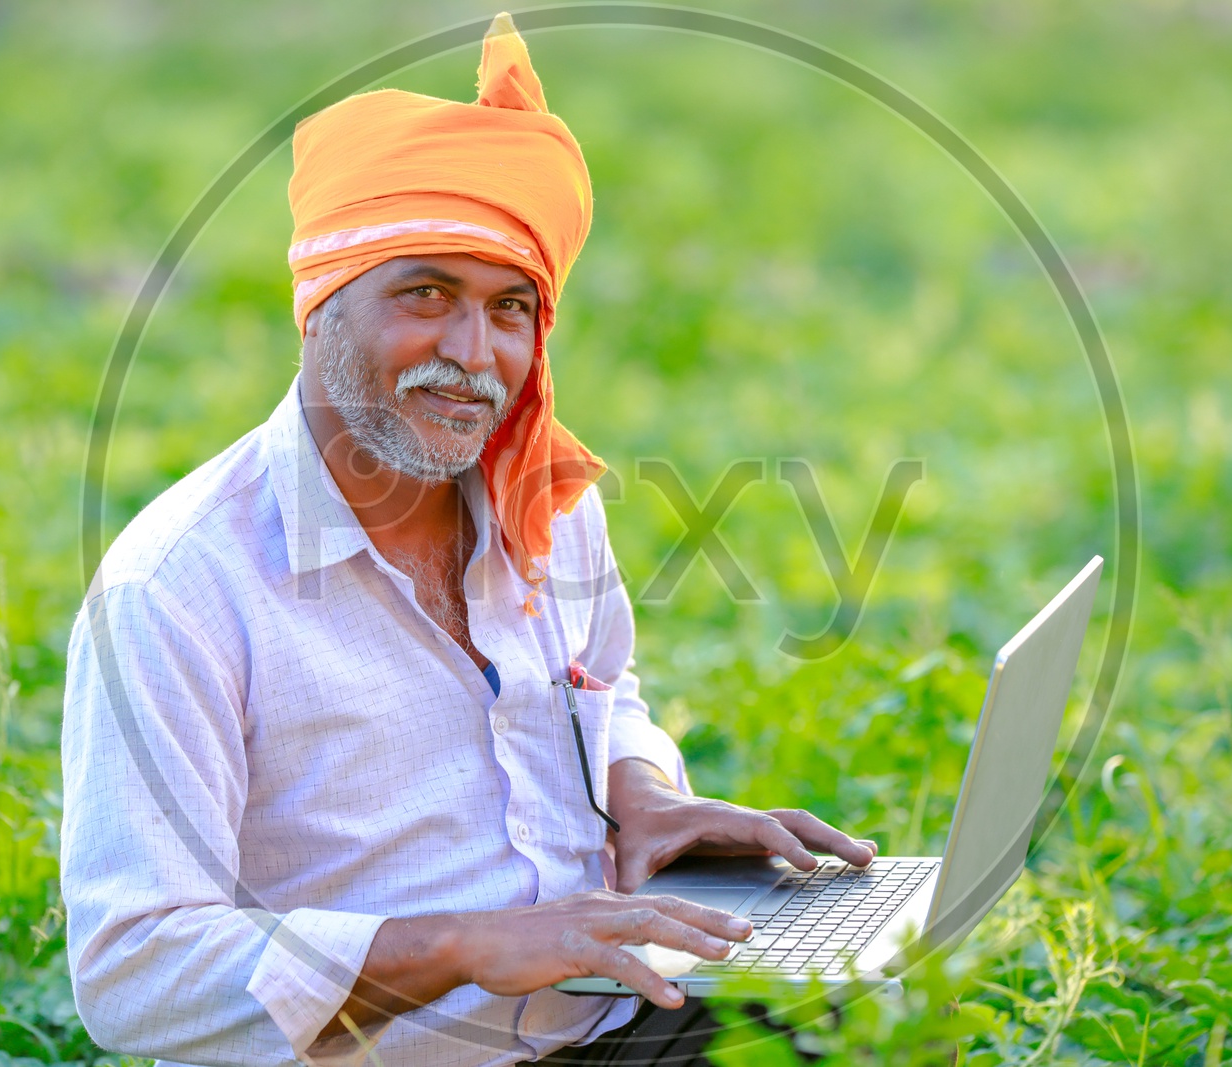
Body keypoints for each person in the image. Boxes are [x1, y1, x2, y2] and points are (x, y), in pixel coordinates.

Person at [59, 14, 875, 1066]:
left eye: (509, 308)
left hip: (609, 1022)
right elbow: (135, 974)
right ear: (320, 308)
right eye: (425, 295)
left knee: (889, 1019)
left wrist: (644, 793)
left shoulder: (545, 502)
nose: (471, 352)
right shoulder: (178, 589)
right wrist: (460, 944)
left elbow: (606, 690)